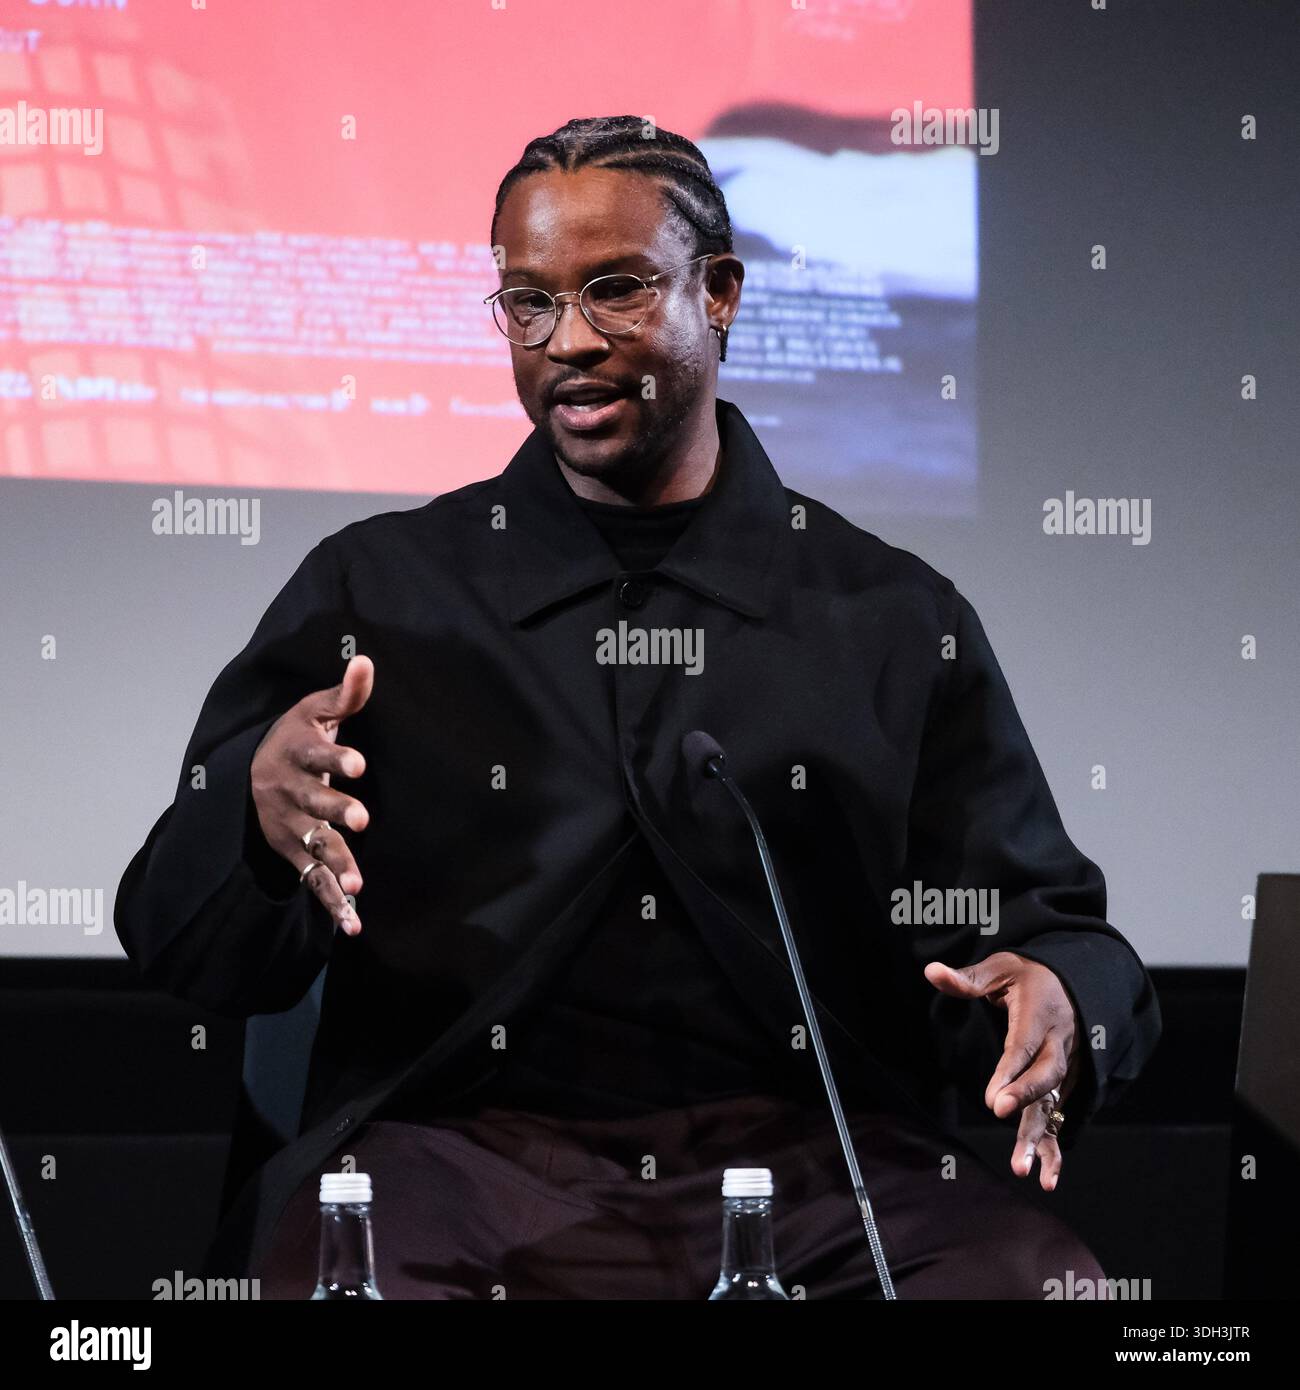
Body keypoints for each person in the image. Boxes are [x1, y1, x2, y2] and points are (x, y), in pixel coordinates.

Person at [114, 115, 1161, 1299]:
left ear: (717, 293)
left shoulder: (886, 616)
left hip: (823, 1169)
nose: (567, 342)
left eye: (614, 291)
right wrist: (256, 814)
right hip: (449, 1166)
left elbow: (1054, 928)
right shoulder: (377, 591)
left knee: (1039, 1284)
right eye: (527, 304)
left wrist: (1062, 994)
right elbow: (176, 937)